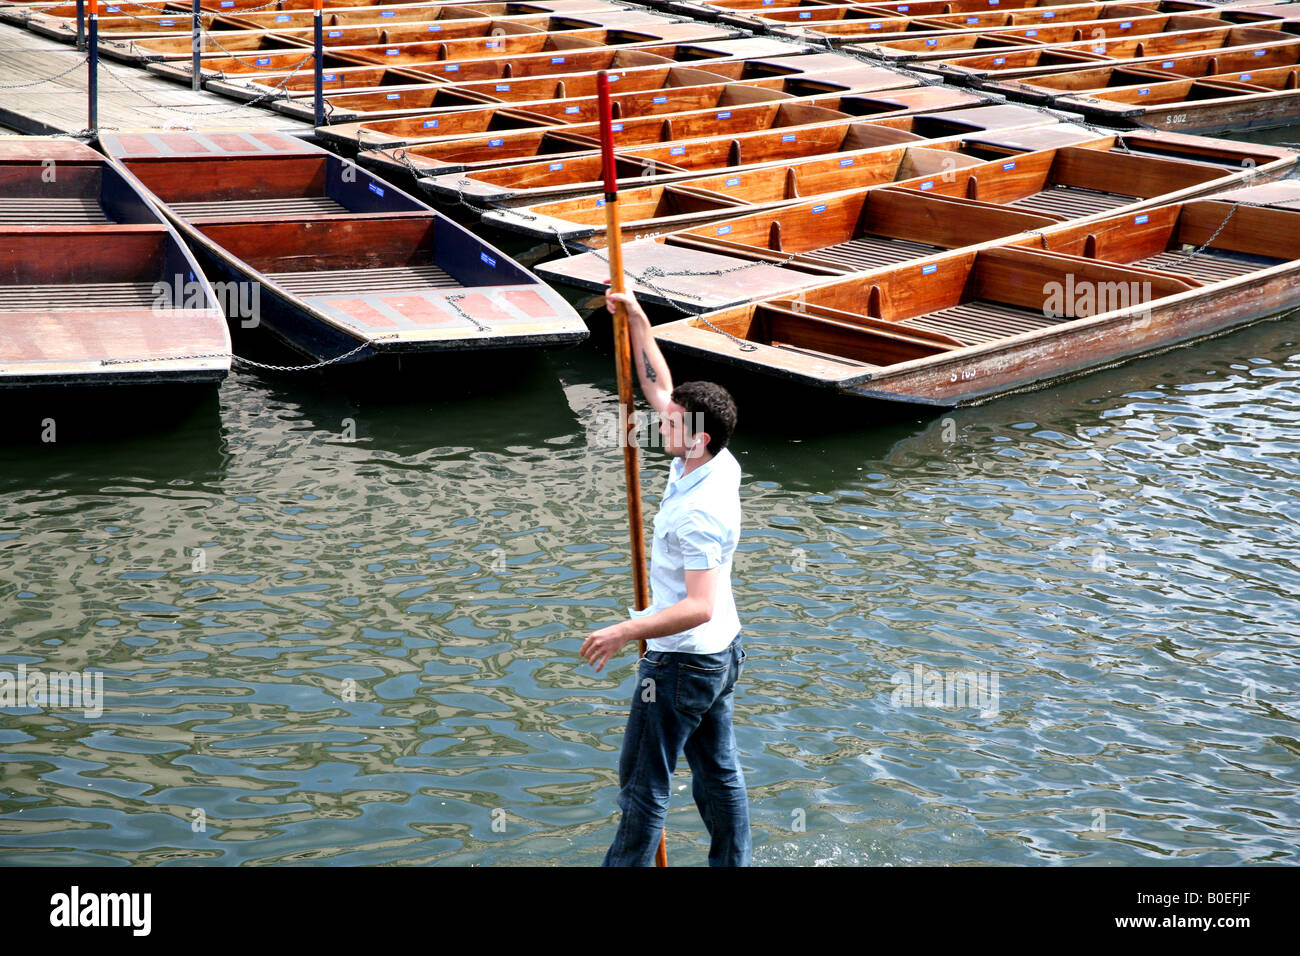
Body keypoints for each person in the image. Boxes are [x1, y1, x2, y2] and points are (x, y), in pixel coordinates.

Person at [579, 288, 750, 867]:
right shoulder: (716, 460)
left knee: (642, 784)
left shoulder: (700, 513)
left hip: (682, 660)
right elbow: (657, 383)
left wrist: (627, 631)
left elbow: (698, 604)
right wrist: (635, 318)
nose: (658, 422)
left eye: (671, 422)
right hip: (721, 654)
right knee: (718, 774)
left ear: (699, 436)